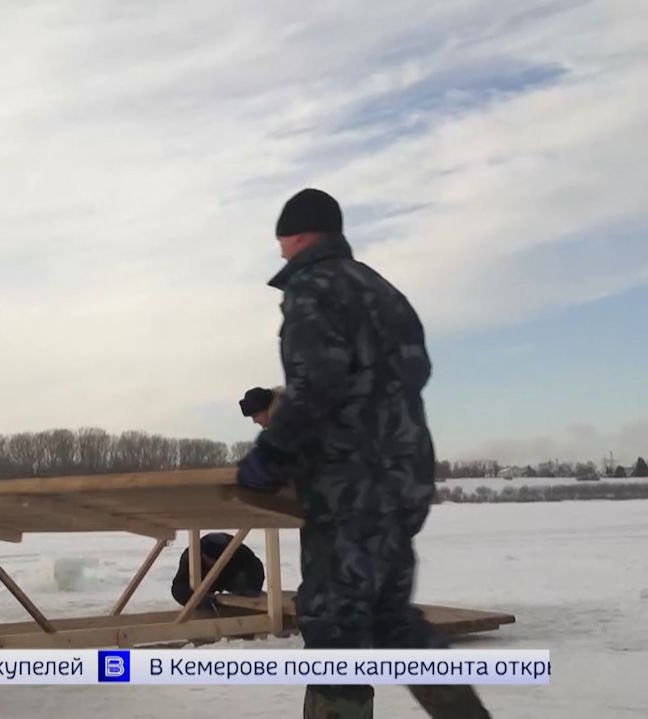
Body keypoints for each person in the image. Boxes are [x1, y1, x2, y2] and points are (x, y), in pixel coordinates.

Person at [236, 189, 490, 718]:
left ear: (298, 235)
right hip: (404, 476)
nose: (279, 250)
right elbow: (411, 372)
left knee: (334, 626)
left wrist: (272, 454)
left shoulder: (313, 287)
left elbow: (317, 382)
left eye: (281, 239)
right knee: (389, 617)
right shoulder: (383, 292)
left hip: (348, 485)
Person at [170, 532, 265, 611]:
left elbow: (256, 567)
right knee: (194, 589)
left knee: (245, 581)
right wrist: (197, 600)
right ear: (203, 554)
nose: (213, 563)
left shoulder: (235, 548)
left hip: (229, 578)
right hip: (204, 584)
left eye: (217, 561)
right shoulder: (190, 556)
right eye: (210, 560)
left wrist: (253, 588)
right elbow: (178, 587)